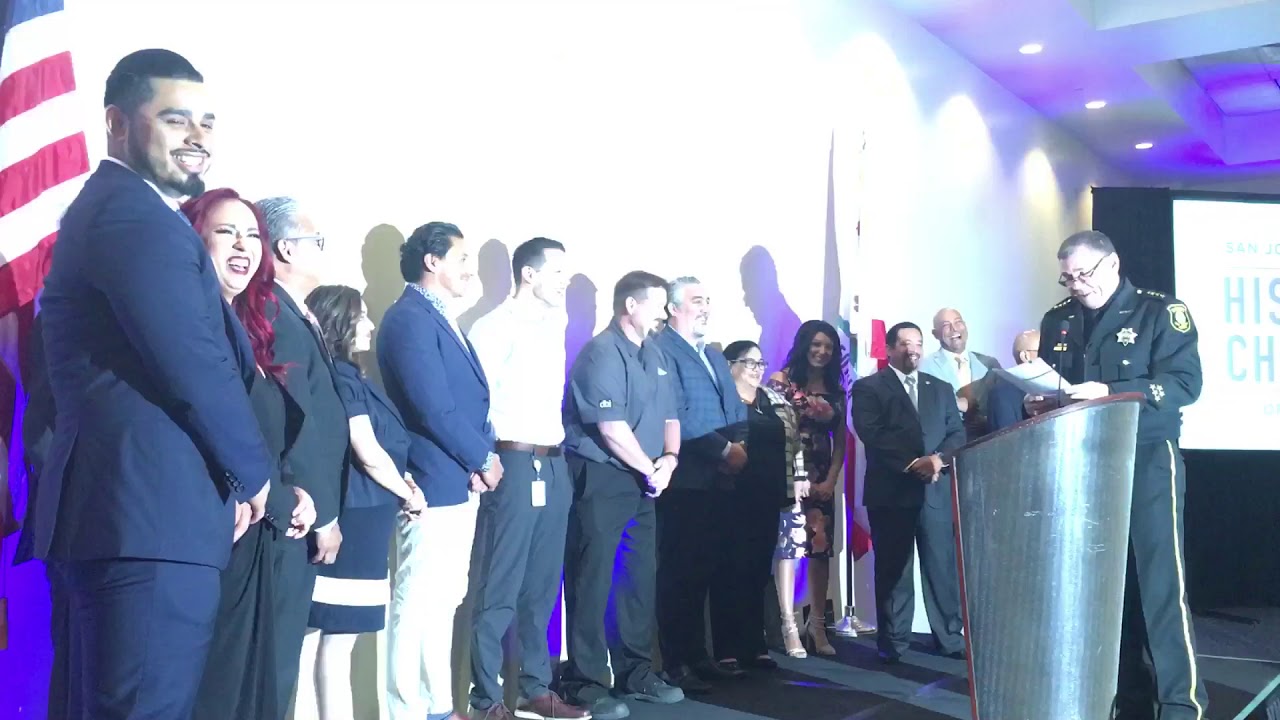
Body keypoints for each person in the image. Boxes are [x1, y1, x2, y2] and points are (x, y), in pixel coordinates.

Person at [32, 49, 274, 719]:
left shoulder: (132, 213)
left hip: (135, 515)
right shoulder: (132, 218)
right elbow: (192, 363)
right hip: (146, 516)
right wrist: (253, 476)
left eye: (207, 121)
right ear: (116, 123)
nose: (197, 136)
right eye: (175, 119)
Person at [1026, 230, 1206, 720]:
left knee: (1161, 584)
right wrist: (1039, 399)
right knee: (1099, 588)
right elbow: (1057, 384)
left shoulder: (1159, 311)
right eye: (1067, 276)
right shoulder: (1058, 319)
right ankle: (1117, 699)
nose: (1076, 285)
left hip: (1147, 455)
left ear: (1113, 264)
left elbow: (1185, 384)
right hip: (1083, 459)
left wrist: (1109, 390)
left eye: (1083, 274)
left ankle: (1182, 703)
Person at [185, 188, 316, 720]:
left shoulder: (250, 326)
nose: (243, 245)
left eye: (252, 235)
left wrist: (292, 489)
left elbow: (261, 436)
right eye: (226, 232)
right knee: (217, 685)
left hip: (264, 533)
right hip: (220, 531)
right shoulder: (192, 324)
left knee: (254, 683)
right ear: (193, 239)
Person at [379, 222, 502, 720]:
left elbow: (468, 406)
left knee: (445, 599)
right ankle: (406, 710)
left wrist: (476, 462)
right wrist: (483, 458)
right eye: (463, 257)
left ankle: (437, 706)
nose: (470, 269)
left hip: (456, 480)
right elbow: (433, 408)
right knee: (415, 601)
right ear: (432, 261)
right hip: (429, 481)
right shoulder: (409, 319)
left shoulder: (442, 317)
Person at [554, 271, 686, 720]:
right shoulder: (601, 352)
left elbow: (670, 415)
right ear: (630, 305)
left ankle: (636, 671)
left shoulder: (656, 353)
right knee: (592, 578)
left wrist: (668, 459)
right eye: (658, 304)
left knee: (637, 577)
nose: (665, 313)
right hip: (603, 475)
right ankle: (585, 681)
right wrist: (649, 467)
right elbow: (610, 429)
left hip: (646, 480)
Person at [465, 239, 589, 719]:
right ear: (528, 274)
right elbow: (479, 403)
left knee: (542, 586)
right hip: (512, 462)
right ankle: (485, 698)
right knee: (501, 586)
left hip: (554, 462)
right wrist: (482, 460)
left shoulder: (553, 324)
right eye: (557, 271)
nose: (565, 280)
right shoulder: (492, 326)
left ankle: (536, 688)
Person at [295, 285, 421, 720]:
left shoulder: (352, 377)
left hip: (366, 517)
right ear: (339, 323)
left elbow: (381, 447)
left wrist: (403, 482)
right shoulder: (341, 380)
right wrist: (410, 494)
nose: (370, 324)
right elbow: (365, 449)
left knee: (326, 639)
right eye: (362, 316)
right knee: (329, 639)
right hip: (356, 518)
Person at [258, 196, 352, 717]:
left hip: (303, 508)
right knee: (277, 646)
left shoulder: (296, 312)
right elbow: (299, 424)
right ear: (287, 248)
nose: (324, 252)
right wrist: (325, 514)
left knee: (289, 640)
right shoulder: (275, 311)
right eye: (318, 241)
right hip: (296, 512)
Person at [650, 276, 748, 692]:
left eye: (708, 300)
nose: (705, 307)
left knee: (706, 572)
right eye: (696, 300)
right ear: (673, 308)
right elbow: (675, 413)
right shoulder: (662, 348)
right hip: (686, 479)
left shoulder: (711, 352)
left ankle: (698, 655)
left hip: (720, 483)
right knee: (679, 575)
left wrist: (739, 446)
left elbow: (733, 405)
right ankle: (675, 662)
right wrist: (725, 452)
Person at [851, 322, 966, 664]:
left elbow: (957, 433)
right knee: (894, 570)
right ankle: (894, 642)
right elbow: (871, 432)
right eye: (904, 343)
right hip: (891, 494)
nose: (912, 349)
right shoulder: (869, 387)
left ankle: (949, 638)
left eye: (917, 343)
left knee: (941, 568)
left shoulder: (941, 388)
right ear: (889, 349)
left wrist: (937, 460)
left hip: (935, 493)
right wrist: (913, 463)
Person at [713, 340, 810, 664]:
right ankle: (727, 647)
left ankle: (755, 645)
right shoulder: (720, 401)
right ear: (729, 366)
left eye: (760, 363)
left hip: (770, 495)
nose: (757, 370)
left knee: (757, 571)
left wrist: (798, 477)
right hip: (730, 495)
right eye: (749, 363)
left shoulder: (775, 401)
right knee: (730, 570)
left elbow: (794, 443)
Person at [767, 320, 845, 655]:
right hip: (788, 472)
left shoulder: (836, 387)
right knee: (788, 548)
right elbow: (776, 432)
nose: (822, 351)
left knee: (820, 549)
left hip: (823, 474)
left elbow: (842, 440)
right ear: (803, 345)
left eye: (828, 346)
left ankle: (818, 628)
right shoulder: (780, 382)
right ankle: (788, 627)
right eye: (816, 344)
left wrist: (831, 479)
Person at [919, 308, 1002, 438]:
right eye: (946, 325)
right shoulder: (925, 367)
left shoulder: (989, 364)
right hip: (950, 442)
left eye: (958, 322)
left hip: (990, 438)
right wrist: (955, 404)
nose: (954, 329)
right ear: (935, 334)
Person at [986, 330, 1039, 432]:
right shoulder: (1002, 394)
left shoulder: (1053, 386)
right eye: (1042, 350)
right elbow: (1006, 441)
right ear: (1025, 356)